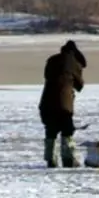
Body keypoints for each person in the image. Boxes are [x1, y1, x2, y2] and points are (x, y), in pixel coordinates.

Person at [38, 40, 86, 168]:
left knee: (51, 131)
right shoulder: (74, 63)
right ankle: (68, 160)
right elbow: (80, 85)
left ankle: (51, 160)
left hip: (46, 102)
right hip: (64, 105)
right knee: (67, 131)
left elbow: (47, 75)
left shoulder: (52, 60)